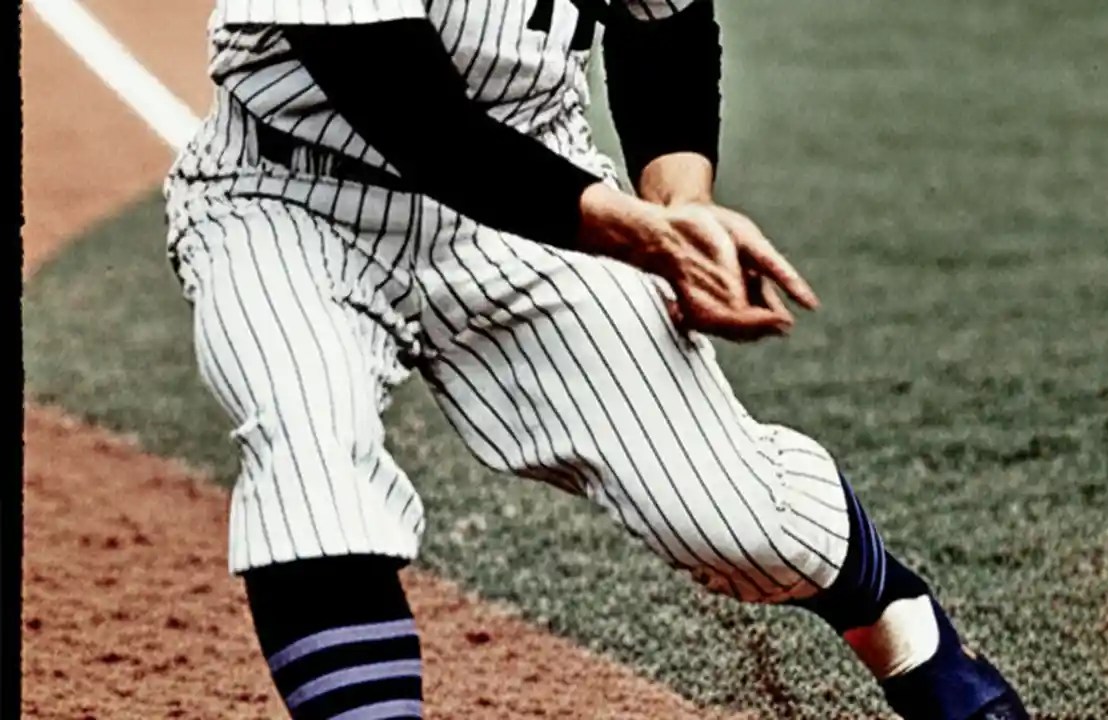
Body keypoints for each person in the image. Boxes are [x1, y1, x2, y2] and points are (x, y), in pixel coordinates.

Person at [162, 1, 1029, 717]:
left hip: (535, 186)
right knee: (307, 445)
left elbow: (665, 21)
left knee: (737, 519)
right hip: (284, 200)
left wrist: (681, 205)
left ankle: (906, 630)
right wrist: (634, 234)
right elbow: (403, 107)